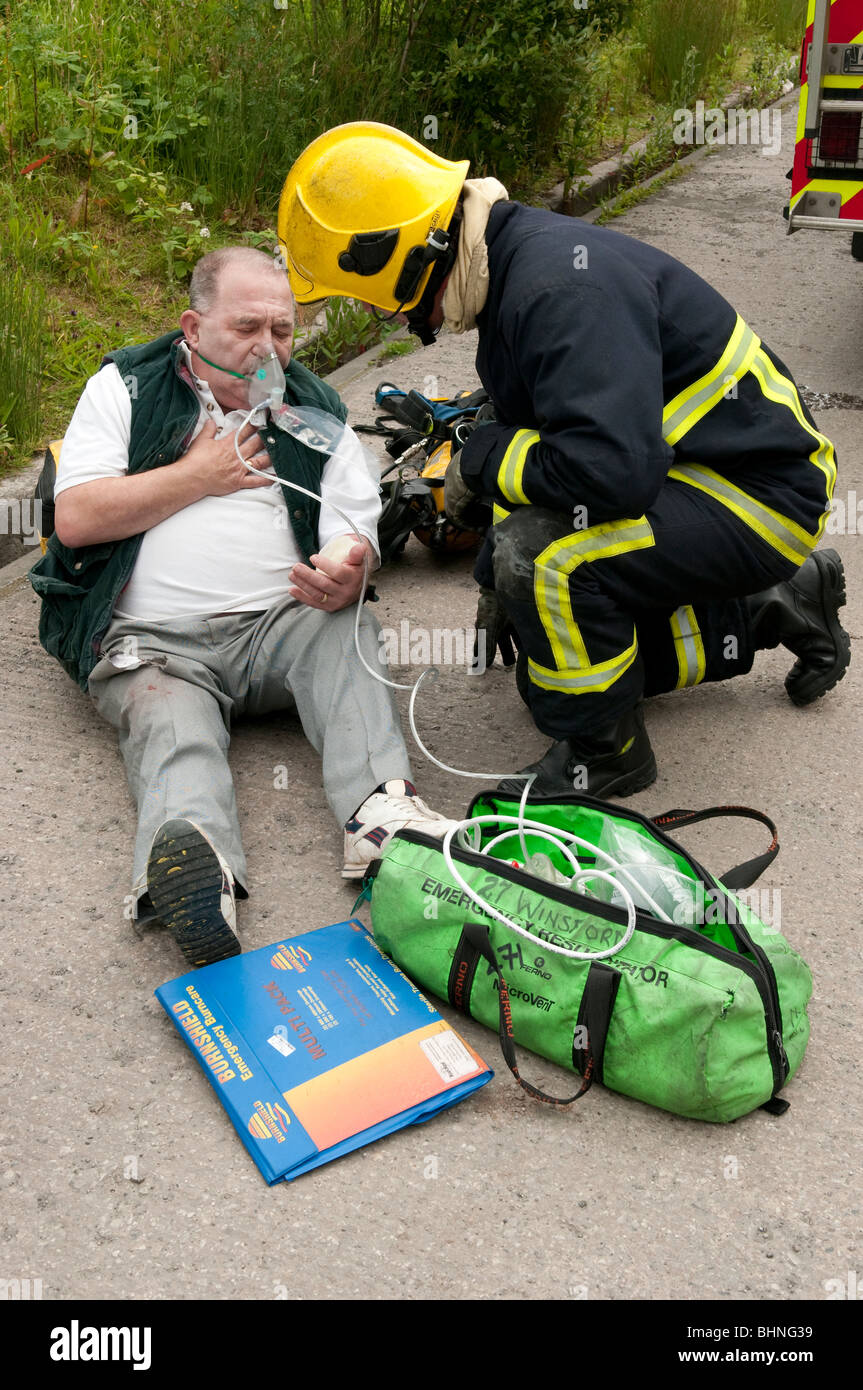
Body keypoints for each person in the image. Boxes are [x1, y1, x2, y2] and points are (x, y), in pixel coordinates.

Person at [277, 122, 850, 798]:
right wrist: (496, 581)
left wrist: (477, 460)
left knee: (545, 560)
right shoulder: (519, 267)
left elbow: (607, 473)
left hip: (758, 496)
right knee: (545, 663)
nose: (386, 317)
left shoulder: (555, 293)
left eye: (368, 297)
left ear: (405, 255)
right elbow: (562, 437)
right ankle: (771, 607)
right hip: (700, 473)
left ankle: (605, 755)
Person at [29, 246, 456, 967]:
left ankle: (381, 816)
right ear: (192, 328)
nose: (266, 351)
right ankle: (199, 870)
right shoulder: (125, 386)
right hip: (152, 639)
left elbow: (351, 526)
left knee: (348, 630)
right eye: (245, 328)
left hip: (277, 627)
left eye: (282, 332)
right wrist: (199, 475)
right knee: (171, 726)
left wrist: (349, 569)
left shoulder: (312, 407)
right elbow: (75, 518)